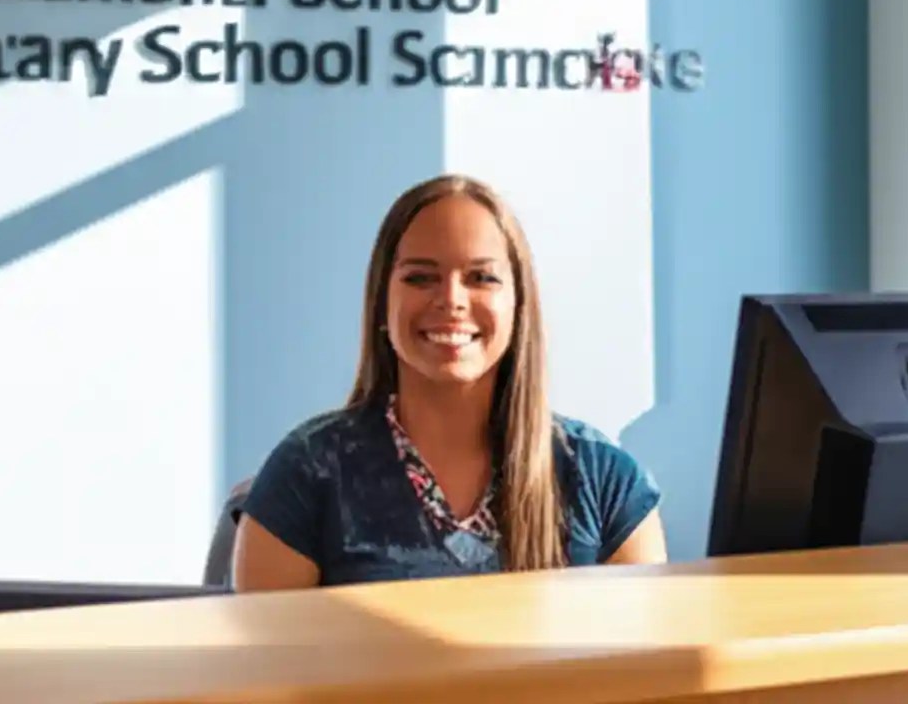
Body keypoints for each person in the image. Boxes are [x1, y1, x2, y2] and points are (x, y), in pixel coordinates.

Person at [231, 174, 666, 591]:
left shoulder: (604, 477)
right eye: (420, 277)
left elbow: (649, 661)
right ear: (383, 302)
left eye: (482, 278)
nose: (452, 300)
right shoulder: (308, 472)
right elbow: (266, 665)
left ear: (520, 306)